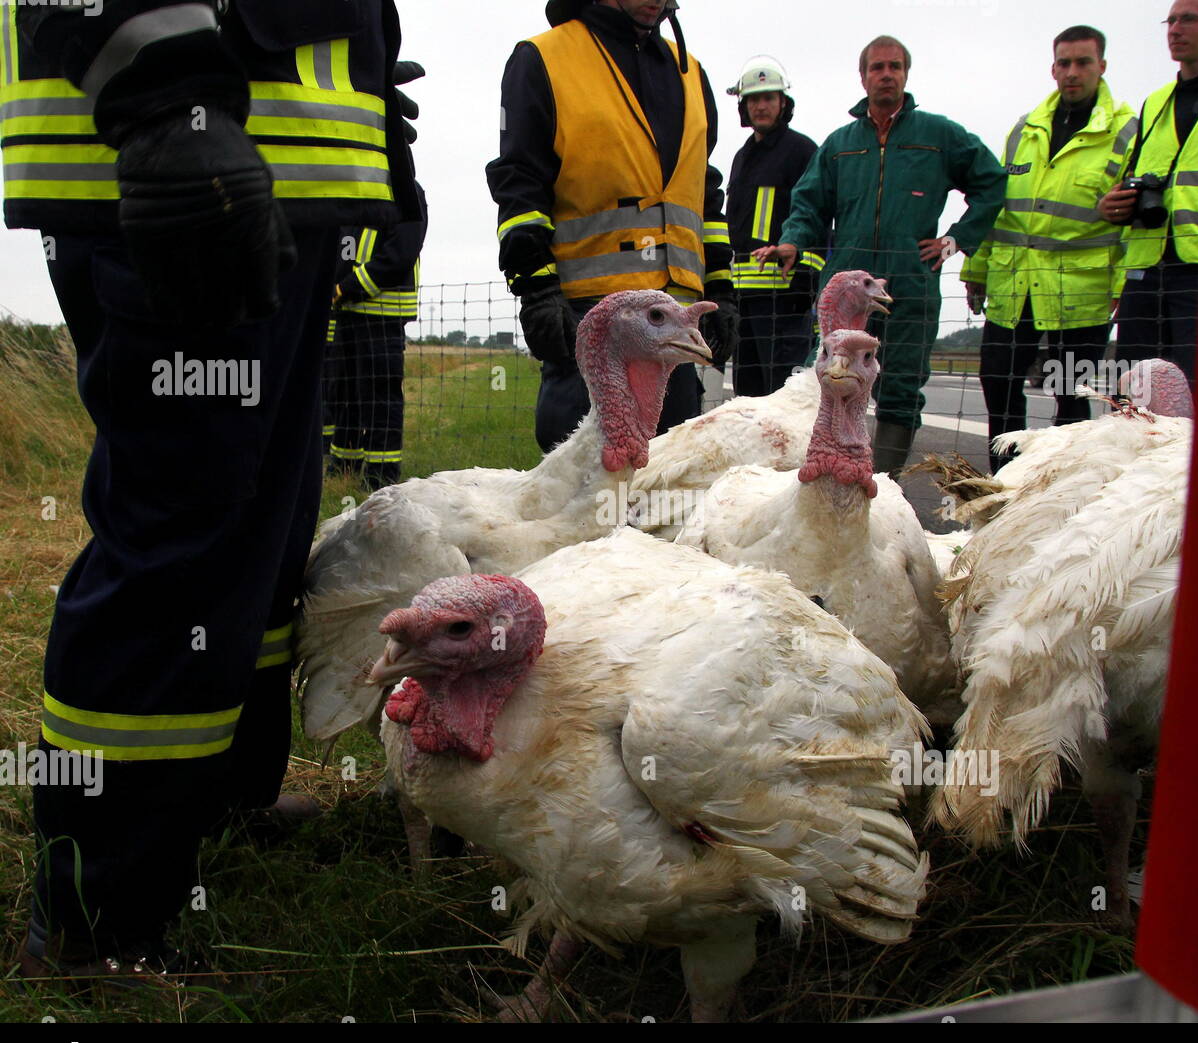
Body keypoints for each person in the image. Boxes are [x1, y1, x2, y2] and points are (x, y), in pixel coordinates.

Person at [3, 0, 420, 979]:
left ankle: (220, 791)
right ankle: (93, 915)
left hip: (284, 175)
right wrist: (159, 95)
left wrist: (375, 122)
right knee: (180, 538)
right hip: (177, 159)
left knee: (262, 526)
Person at [486, 0, 739, 452]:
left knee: (669, 485)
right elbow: (519, 182)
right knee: (582, 488)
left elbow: (703, 189)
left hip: (675, 321)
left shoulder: (692, 74)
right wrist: (536, 288)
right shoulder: (543, 59)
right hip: (587, 319)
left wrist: (721, 285)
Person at [756, 35, 1005, 476]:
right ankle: (832, 474)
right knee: (834, 383)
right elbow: (808, 203)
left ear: (906, 74)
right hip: (848, 289)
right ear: (863, 76)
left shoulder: (939, 135)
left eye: (894, 67)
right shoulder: (840, 144)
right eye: (877, 67)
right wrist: (794, 239)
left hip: (911, 282)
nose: (886, 74)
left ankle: (883, 484)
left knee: (902, 387)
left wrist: (955, 239)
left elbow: (991, 182)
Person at [962, 26, 1138, 472]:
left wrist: (1124, 285)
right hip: (1013, 286)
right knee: (997, 382)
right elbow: (999, 206)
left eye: (1082, 63)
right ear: (1052, 68)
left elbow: (1134, 222)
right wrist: (976, 268)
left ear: (1102, 66)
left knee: (1070, 396)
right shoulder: (1026, 129)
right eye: (1064, 63)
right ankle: (1003, 489)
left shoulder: (1125, 132)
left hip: (1080, 294)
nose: (1072, 72)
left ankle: (1060, 493)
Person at [1100, 0, 1198, 388]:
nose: (1175, 29)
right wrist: (1113, 205)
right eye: (1170, 20)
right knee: (1135, 391)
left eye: (1188, 19)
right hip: (1145, 268)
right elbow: (1136, 174)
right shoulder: (1155, 101)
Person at [324, 182, 429, 491]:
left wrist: (349, 286)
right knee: (345, 395)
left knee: (379, 399)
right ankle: (344, 465)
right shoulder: (357, 188)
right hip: (347, 309)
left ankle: (380, 475)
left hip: (383, 312)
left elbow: (401, 252)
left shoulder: (406, 190)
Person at [724, 56, 819, 397]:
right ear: (744, 107)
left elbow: (816, 216)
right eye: (753, 99)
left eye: (768, 98)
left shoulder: (802, 151)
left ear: (783, 103)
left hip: (785, 296)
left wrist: (804, 273)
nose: (760, 106)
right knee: (747, 397)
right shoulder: (742, 157)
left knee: (781, 397)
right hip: (745, 298)